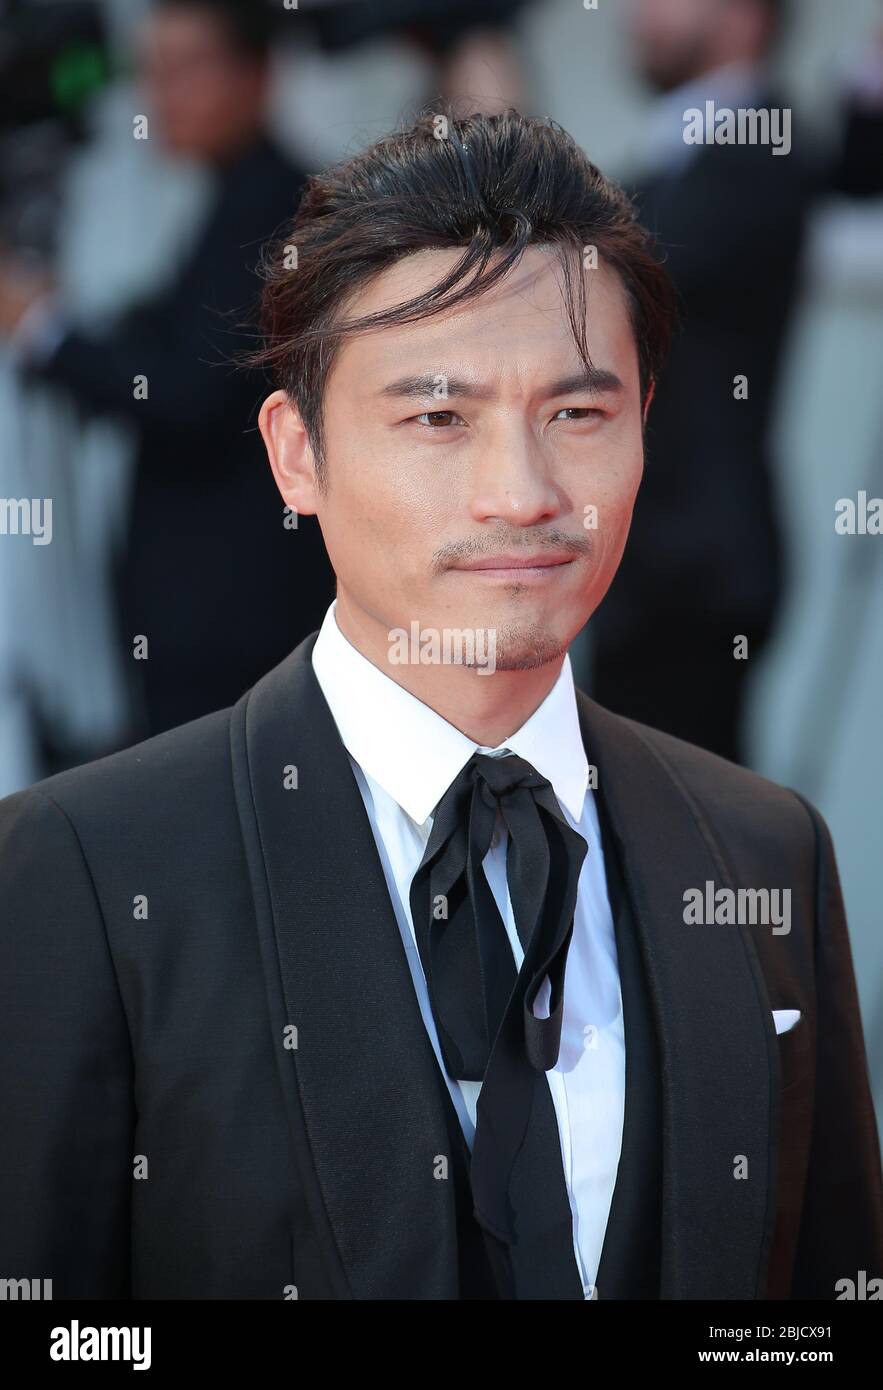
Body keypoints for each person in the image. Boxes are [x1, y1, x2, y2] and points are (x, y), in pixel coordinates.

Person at [0, 109, 880, 1301]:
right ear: (296, 454)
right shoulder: (87, 869)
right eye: (435, 417)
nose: (521, 493)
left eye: (576, 414)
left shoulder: (762, 850)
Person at [0, 0, 335, 738]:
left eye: (186, 69)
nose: (161, 96)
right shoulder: (231, 193)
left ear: (257, 73)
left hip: (234, 616)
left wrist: (44, 332)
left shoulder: (280, 205)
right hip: (202, 614)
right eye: (151, 72)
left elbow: (192, 390)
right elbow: (167, 333)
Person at [590, 0, 818, 763]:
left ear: (745, 16)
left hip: (694, 571)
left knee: (687, 837)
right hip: (650, 570)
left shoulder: (767, 148)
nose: (635, 12)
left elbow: (628, 283)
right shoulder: (670, 157)